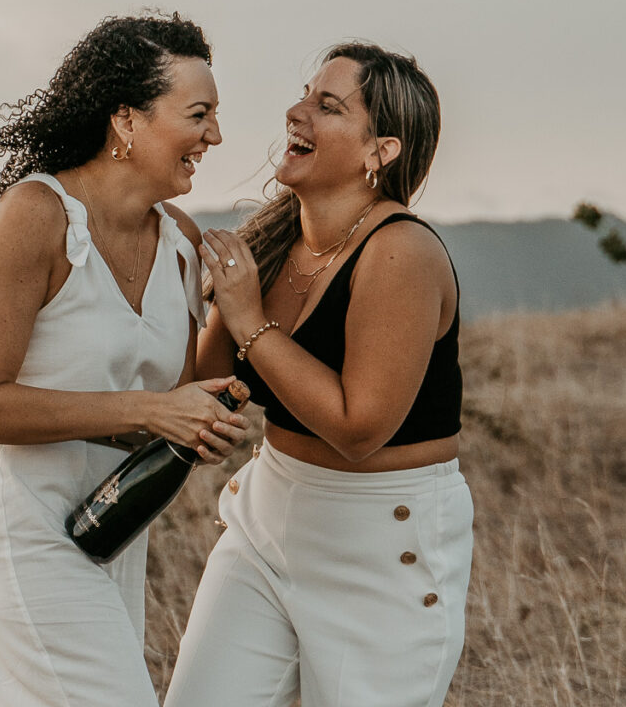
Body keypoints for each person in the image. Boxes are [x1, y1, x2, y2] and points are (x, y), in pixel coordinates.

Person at [0, 13, 250, 707]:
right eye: (198, 114)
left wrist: (233, 316)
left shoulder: (179, 240)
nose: (215, 137)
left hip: (111, 536)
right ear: (126, 120)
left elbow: (168, 415)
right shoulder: (38, 214)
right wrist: (153, 410)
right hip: (28, 542)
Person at [164, 42, 472, 707]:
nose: (294, 112)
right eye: (305, 95)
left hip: (382, 546)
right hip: (268, 520)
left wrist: (249, 320)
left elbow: (358, 428)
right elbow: (204, 380)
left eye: (326, 106)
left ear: (380, 152)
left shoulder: (401, 252)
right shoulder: (274, 242)